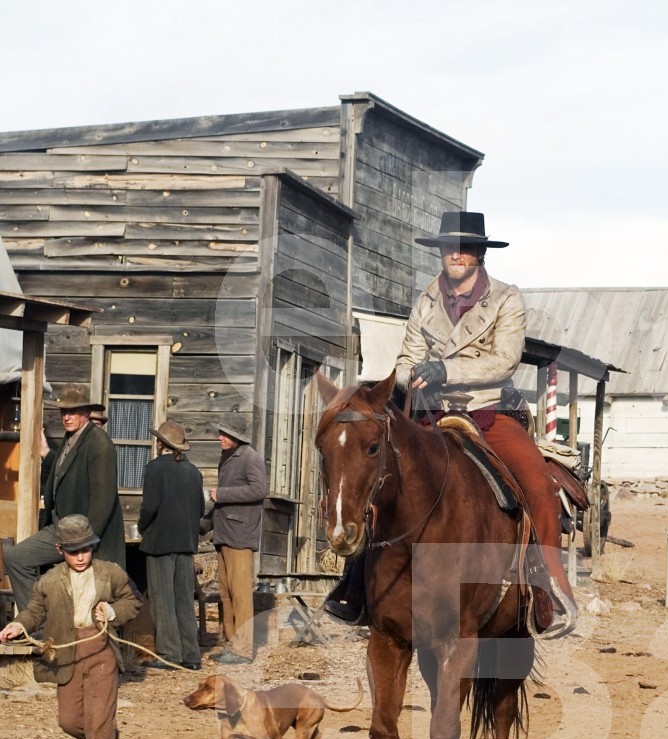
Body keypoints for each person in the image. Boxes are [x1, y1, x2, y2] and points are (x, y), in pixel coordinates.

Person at [325, 211, 576, 635]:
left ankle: (548, 588)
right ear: (441, 253)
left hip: (487, 409)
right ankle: (355, 584)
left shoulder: (506, 299)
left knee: (538, 484)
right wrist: (405, 376)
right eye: (449, 247)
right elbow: (405, 359)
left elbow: (505, 359)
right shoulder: (425, 301)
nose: (456, 254)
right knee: (378, 476)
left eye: (464, 247)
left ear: (479, 253)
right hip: (428, 414)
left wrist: (445, 369)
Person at [0, 515, 141, 739]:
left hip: (101, 649)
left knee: (99, 714)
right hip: (66, 652)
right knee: (70, 720)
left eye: (85, 550)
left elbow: (132, 601)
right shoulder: (49, 580)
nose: (80, 557)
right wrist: (18, 624)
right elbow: (35, 611)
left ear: (93, 547)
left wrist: (113, 612)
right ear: (60, 550)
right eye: (73, 551)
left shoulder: (109, 573)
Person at [5, 385, 125, 611]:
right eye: (63, 412)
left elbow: (104, 499)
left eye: (73, 411)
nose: (67, 416)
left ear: (86, 413)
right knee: (16, 558)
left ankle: (42, 624)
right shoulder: (71, 438)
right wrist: (45, 454)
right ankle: (39, 623)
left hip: (79, 533)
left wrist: (83, 543)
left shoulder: (99, 443)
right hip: (61, 526)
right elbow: (67, 472)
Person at [138, 420, 206, 670]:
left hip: (160, 542)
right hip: (186, 543)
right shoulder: (193, 472)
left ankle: (169, 654)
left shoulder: (155, 469)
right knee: (184, 600)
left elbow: (149, 508)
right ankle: (191, 654)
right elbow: (200, 508)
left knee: (163, 599)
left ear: (161, 444)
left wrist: (142, 527)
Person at [201, 415, 266, 665]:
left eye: (225, 434)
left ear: (237, 437)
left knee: (241, 594)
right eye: (221, 433)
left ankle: (243, 649)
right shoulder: (227, 458)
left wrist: (222, 494)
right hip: (224, 534)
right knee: (226, 593)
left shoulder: (251, 457)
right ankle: (231, 644)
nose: (220, 438)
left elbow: (260, 490)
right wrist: (203, 524)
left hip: (240, 536)